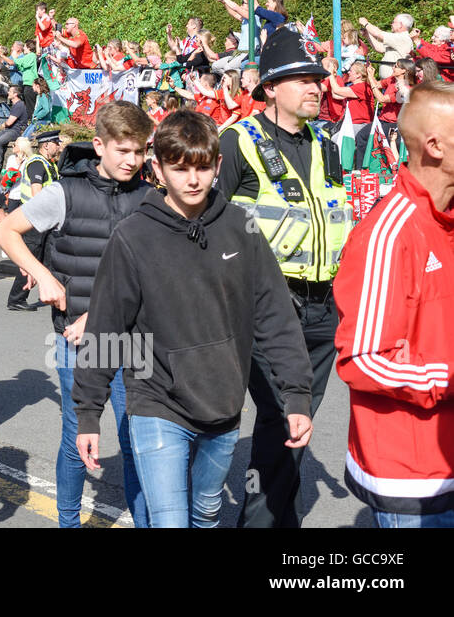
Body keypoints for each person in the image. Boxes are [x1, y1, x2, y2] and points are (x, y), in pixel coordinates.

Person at [74, 111, 313, 527]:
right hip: (156, 403)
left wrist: (296, 394)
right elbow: (106, 328)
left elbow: (276, 315)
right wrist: (88, 413)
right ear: (158, 169)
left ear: (218, 166)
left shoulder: (244, 227)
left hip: (222, 405)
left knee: (205, 512)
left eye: (203, 167)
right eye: (179, 168)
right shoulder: (132, 237)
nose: (192, 180)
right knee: (170, 521)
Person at [0, 101, 155, 527]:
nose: (132, 160)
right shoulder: (65, 192)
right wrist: (41, 274)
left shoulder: (150, 197)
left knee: (136, 438)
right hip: (75, 341)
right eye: (123, 150)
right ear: (99, 146)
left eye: (139, 151)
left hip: (134, 341)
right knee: (78, 437)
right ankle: (67, 522)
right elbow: (5, 231)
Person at [216, 25, 348, 528]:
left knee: (298, 423)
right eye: (302, 79)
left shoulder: (326, 145)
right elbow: (203, 222)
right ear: (270, 87)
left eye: (318, 77)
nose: (317, 87)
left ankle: (276, 519)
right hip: (268, 307)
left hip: (322, 309)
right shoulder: (237, 141)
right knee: (279, 419)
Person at [333, 81, 454, 526]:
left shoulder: (446, 218)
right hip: (415, 475)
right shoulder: (389, 233)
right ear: (435, 146)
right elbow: (362, 361)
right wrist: (444, 374)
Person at [2, 129, 61, 311]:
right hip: (36, 221)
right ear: (46, 145)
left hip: (47, 220)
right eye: (56, 143)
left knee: (50, 259)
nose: (58, 146)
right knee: (31, 259)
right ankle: (16, 299)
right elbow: (37, 193)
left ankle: (53, 293)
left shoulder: (49, 164)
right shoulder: (37, 164)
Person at [0, 86, 30, 172]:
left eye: (10, 91)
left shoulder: (19, 105)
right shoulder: (15, 105)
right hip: (9, 130)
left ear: (15, 94)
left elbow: (9, 122)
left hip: (16, 131)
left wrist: (3, 125)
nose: (8, 93)